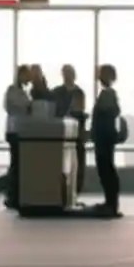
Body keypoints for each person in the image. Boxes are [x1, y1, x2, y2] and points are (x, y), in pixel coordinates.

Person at [51, 65, 88, 197]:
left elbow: (79, 111)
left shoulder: (78, 93)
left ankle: (75, 190)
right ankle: (63, 192)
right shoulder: (56, 92)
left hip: (76, 134)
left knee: (77, 164)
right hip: (63, 134)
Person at [91, 64, 123, 217]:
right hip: (105, 137)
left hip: (104, 138)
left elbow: (106, 113)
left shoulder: (107, 94)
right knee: (106, 169)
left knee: (106, 169)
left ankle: (111, 203)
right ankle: (110, 202)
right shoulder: (108, 94)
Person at [3, 65, 32, 209]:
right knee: (16, 164)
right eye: (27, 76)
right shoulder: (12, 91)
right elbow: (14, 107)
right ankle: (12, 196)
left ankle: (16, 195)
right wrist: (27, 105)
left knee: (19, 164)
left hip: (21, 131)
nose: (29, 79)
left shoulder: (23, 92)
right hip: (14, 131)